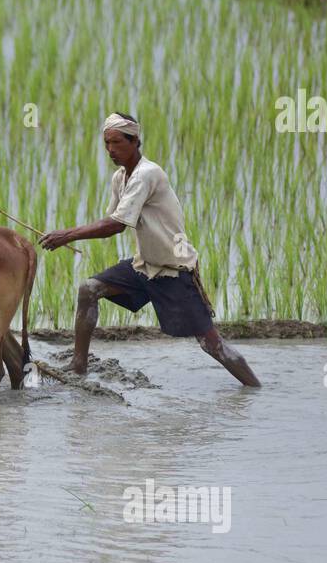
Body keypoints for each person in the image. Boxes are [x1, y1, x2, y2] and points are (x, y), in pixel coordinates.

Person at [38, 112, 261, 387]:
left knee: (211, 344)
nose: (110, 150)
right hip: (143, 267)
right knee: (89, 289)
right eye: (106, 143)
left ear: (135, 141)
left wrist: (67, 235)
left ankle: (255, 389)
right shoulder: (120, 178)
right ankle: (78, 365)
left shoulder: (147, 174)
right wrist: (69, 235)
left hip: (173, 271)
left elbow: (116, 225)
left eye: (116, 143)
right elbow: (111, 220)